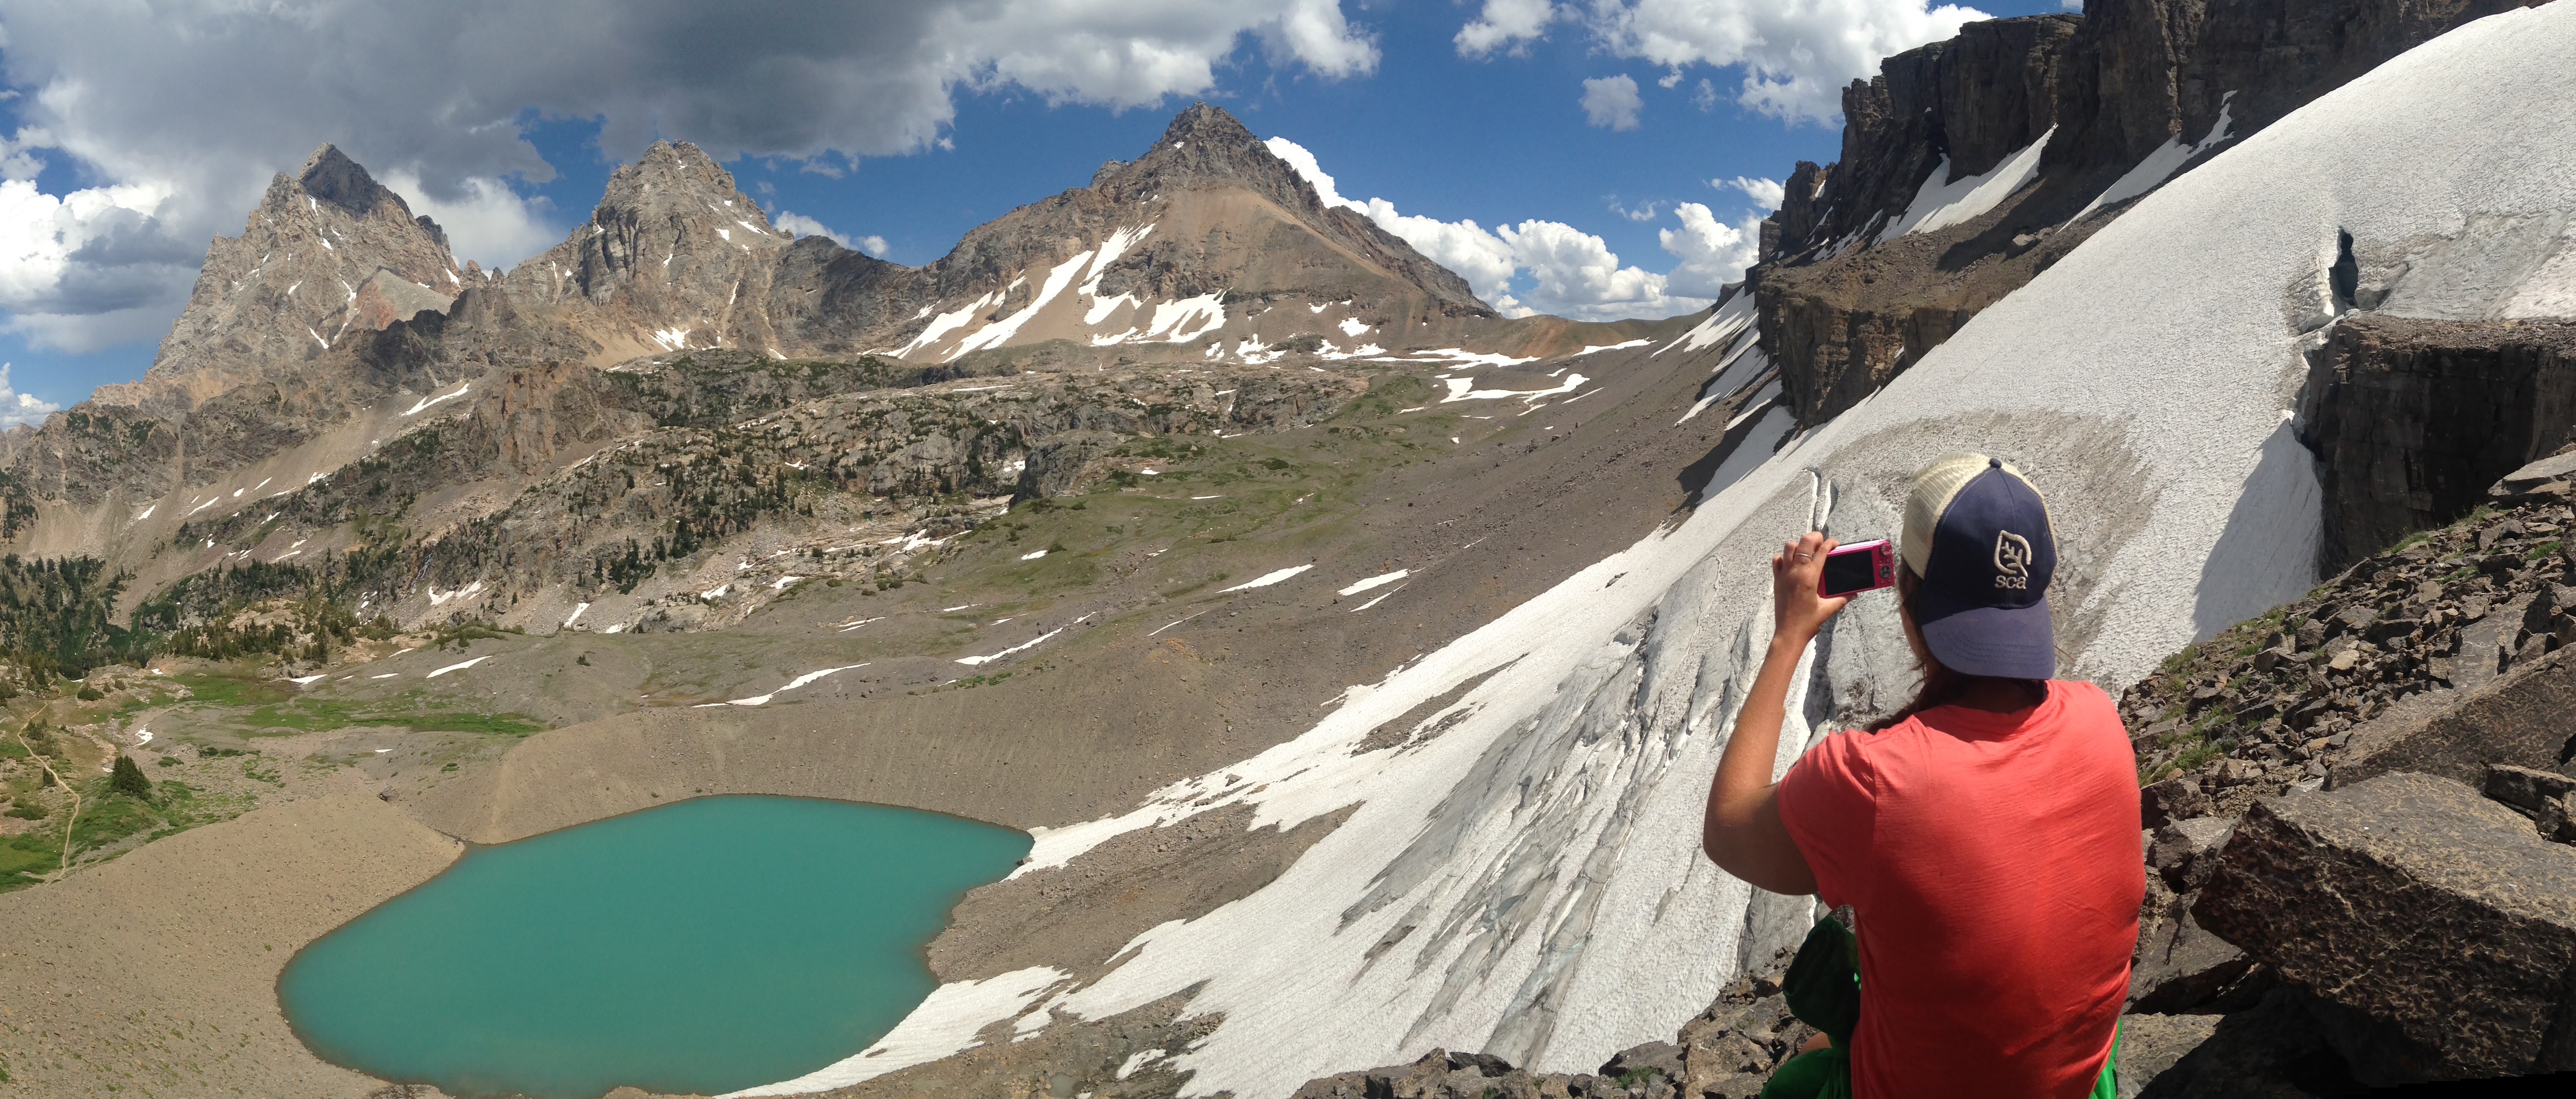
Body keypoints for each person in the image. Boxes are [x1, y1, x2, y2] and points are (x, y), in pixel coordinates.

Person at [1700, 453, 2144, 1098]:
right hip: (2074, 1088)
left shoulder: (1873, 776)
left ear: (1907, 603)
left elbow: (1728, 829)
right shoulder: (2099, 719)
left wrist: (1788, 638)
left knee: (1803, 1071)